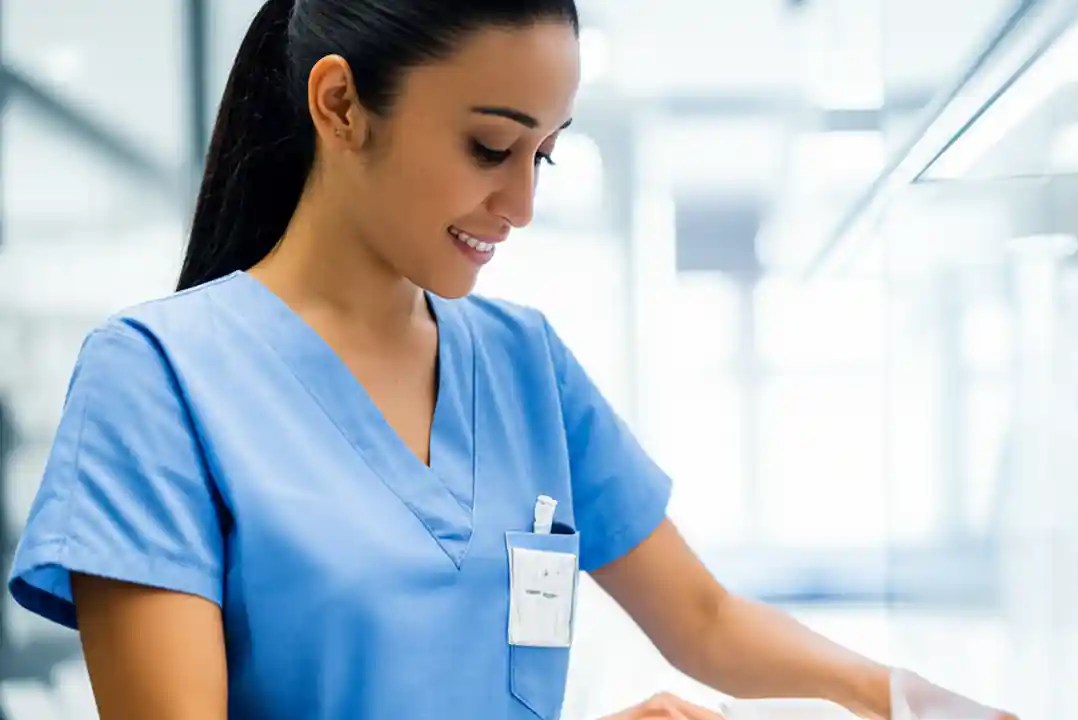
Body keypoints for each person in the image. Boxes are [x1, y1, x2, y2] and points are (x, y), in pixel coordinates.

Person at [6, 1, 1017, 718]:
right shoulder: (157, 378)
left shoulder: (523, 362)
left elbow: (702, 617)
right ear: (340, 104)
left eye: (543, 154)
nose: (523, 206)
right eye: (490, 148)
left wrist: (897, 697)